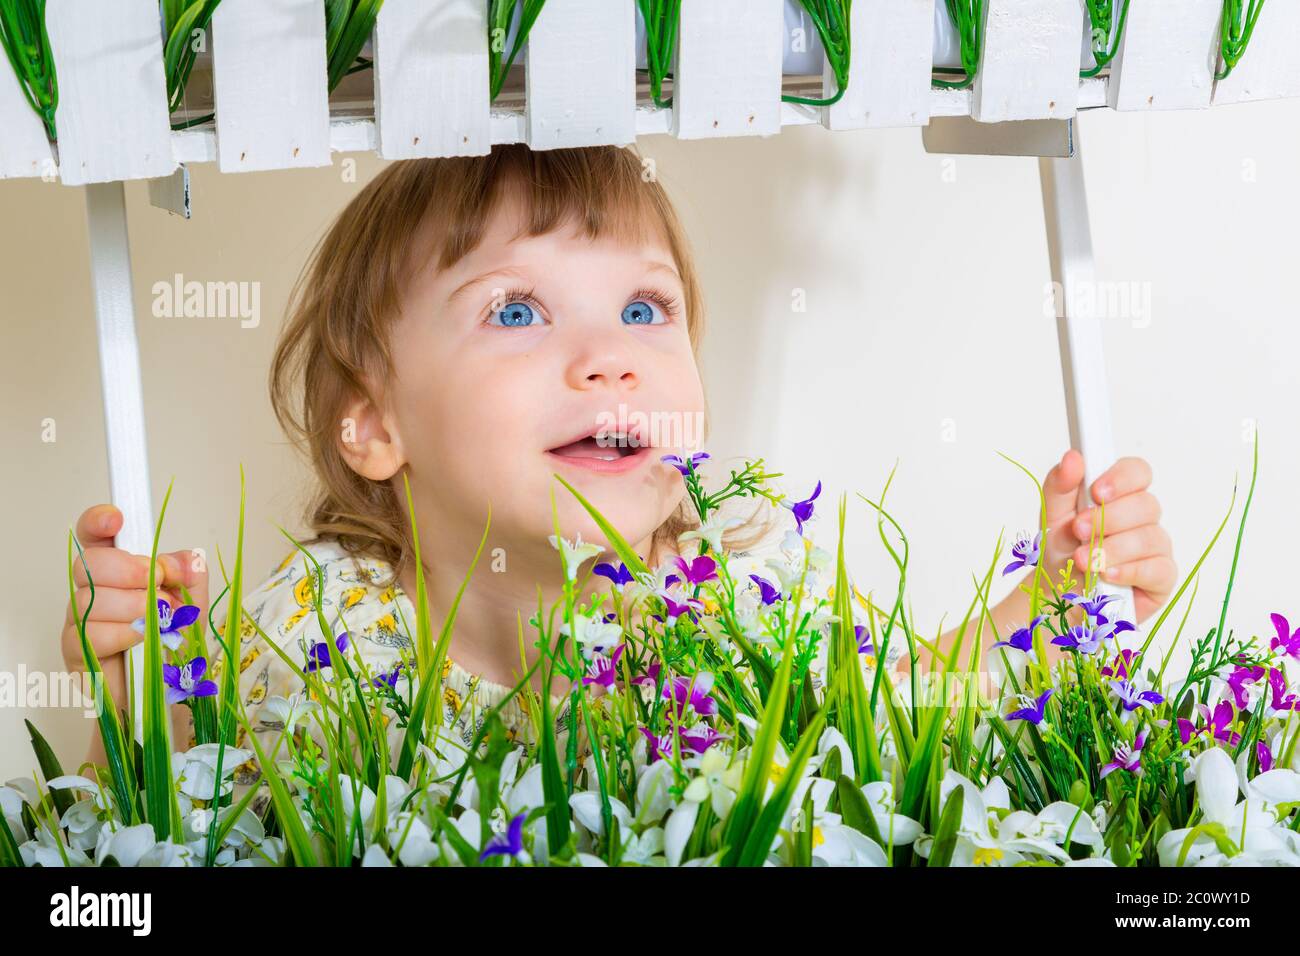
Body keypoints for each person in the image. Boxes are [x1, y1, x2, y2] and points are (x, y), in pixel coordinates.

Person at [60, 143, 1176, 809]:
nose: (610, 355)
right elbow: (204, 817)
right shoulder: (317, 626)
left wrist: (1053, 608)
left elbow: (901, 706)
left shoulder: (741, 576)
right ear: (372, 422)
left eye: (645, 308)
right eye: (514, 309)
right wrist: (133, 706)